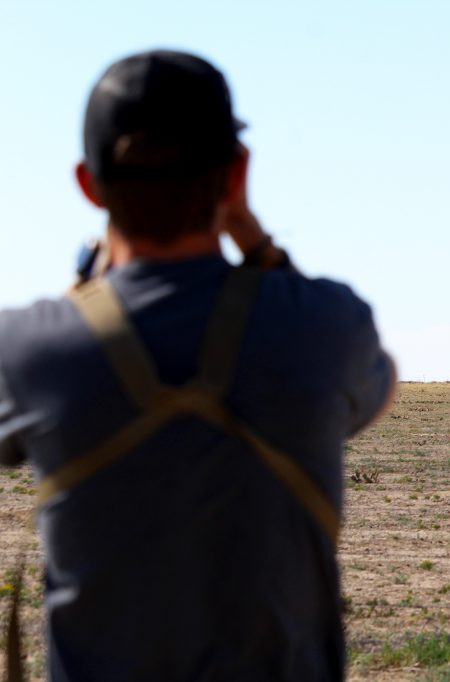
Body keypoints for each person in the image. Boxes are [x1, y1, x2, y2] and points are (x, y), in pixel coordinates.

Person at [0, 50, 395, 681]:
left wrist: (87, 288)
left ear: (88, 184)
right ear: (237, 175)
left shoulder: (27, 348)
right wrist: (256, 243)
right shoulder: (326, 325)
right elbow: (379, 384)